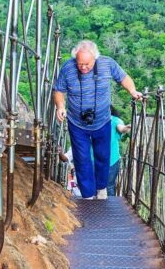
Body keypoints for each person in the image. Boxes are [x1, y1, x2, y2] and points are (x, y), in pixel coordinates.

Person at [53, 40, 141, 200]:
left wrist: (133, 91)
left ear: (95, 58)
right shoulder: (68, 67)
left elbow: (123, 78)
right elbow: (58, 90)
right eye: (80, 64)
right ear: (75, 60)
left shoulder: (107, 64)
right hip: (76, 123)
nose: (84, 67)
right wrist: (60, 106)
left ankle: (101, 190)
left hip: (102, 121)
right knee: (82, 158)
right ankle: (87, 196)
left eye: (87, 64)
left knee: (102, 155)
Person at [107, 106, 131, 196]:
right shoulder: (93, 119)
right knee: (95, 185)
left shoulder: (114, 120)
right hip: (94, 159)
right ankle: (95, 207)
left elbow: (121, 128)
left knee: (109, 186)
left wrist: (126, 128)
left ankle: (108, 208)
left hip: (111, 160)